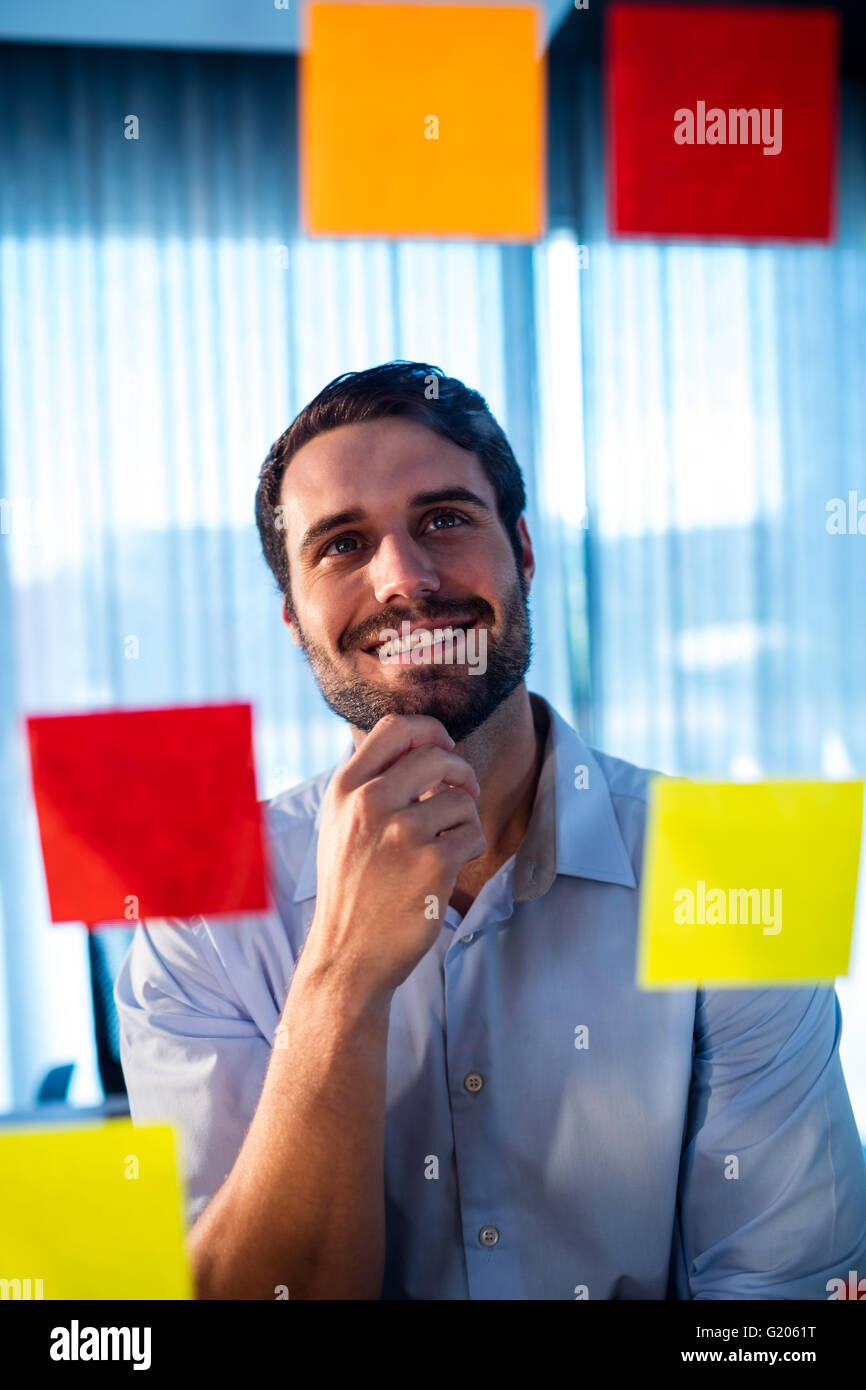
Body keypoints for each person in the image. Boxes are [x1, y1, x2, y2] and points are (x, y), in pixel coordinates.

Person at [115, 360, 866, 1300]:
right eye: (342, 545)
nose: (405, 580)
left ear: (522, 549)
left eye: (443, 520)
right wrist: (342, 979)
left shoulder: (741, 871)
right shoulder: (198, 916)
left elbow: (784, 1309)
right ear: (294, 617)